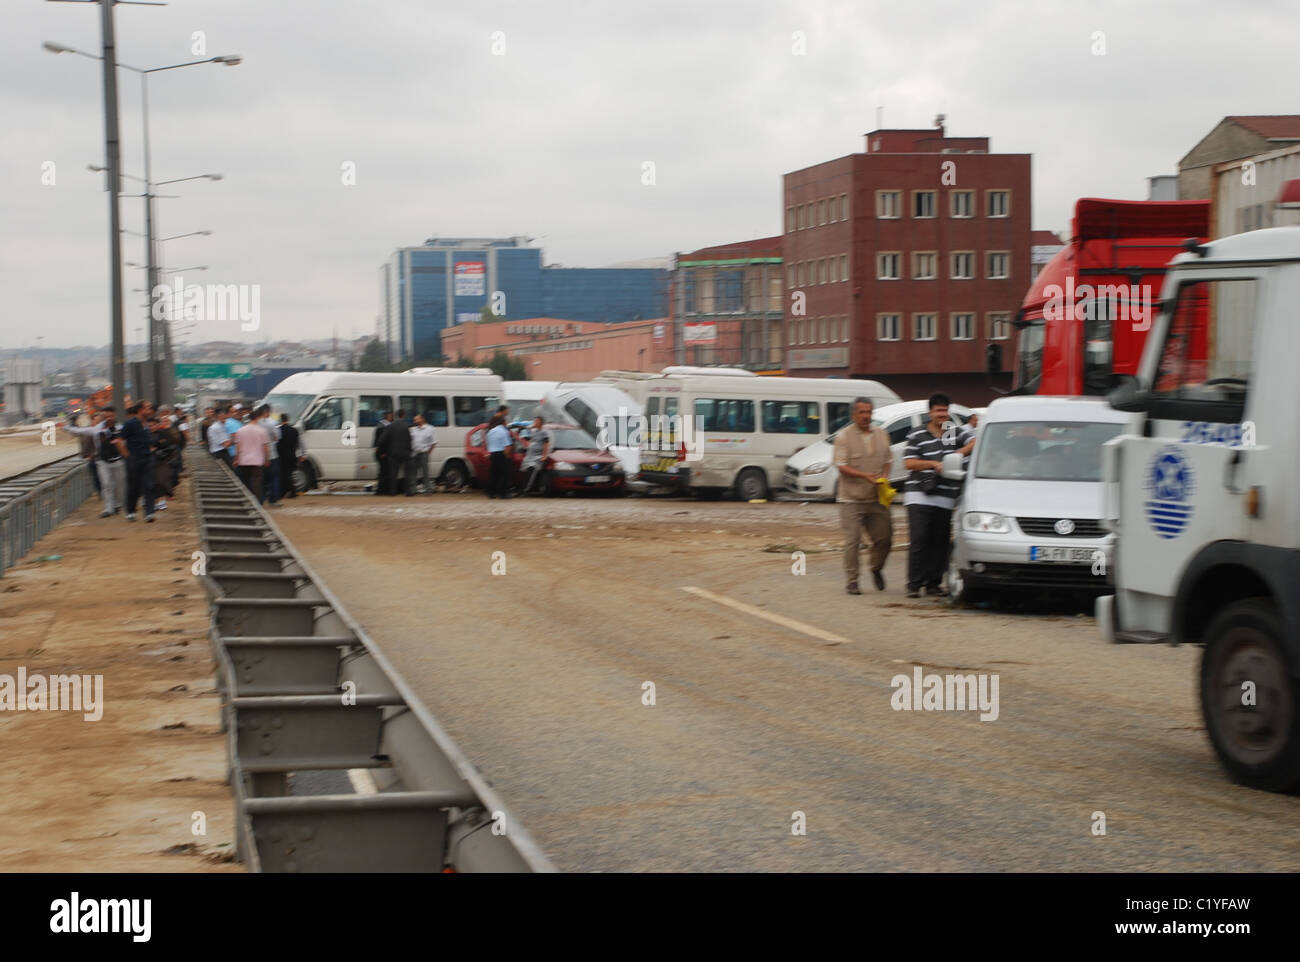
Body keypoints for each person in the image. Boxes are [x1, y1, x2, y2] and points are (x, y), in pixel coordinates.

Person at [901, 393, 976, 598]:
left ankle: (933, 584)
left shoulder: (951, 432)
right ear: (930, 413)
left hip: (945, 496)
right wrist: (934, 464)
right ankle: (913, 584)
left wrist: (956, 455)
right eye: (938, 411)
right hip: (919, 494)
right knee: (919, 539)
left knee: (940, 541)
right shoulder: (917, 433)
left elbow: (976, 442)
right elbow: (908, 463)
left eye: (945, 410)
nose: (942, 414)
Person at [834, 397, 893, 594]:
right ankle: (852, 580)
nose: (866, 416)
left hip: (876, 497)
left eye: (869, 412)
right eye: (862, 412)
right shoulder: (843, 437)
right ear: (853, 415)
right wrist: (865, 476)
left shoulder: (882, 434)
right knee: (852, 540)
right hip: (850, 499)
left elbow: (888, 460)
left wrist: (884, 476)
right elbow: (841, 466)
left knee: (885, 538)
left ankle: (876, 568)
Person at [65, 408, 126, 516]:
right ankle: (109, 508)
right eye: (106, 416)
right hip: (102, 461)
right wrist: (67, 427)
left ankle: (118, 504)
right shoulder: (97, 429)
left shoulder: (120, 427)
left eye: (111, 416)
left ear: (114, 415)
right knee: (106, 484)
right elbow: (80, 431)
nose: (109, 418)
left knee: (119, 485)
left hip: (118, 460)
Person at [121, 400, 157, 522]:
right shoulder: (130, 423)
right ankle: (130, 511)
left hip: (147, 458)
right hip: (134, 459)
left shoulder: (147, 423)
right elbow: (119, 440)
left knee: (149, 485)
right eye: (147, 407)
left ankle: (149, 513)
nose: (150, 410)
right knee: (134, 486)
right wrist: (127, 456)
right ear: (141, 409)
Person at [234, 412, 268, 502]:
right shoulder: (262, 431)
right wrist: (266, 459)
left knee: (246, 483)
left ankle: (247, 501)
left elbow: (238, 448)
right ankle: (258, 502)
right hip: (257, 461)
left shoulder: (240, 430)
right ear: (257, 418)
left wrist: (236, 459)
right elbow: (265, 447)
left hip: (244, 461)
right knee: (257, 483)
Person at [256, 405, 282, 505]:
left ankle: (260, 500)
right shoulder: (272, 424)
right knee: (274, 478)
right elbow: (277, 437)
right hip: (272, 454)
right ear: (267, 412)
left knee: (260, 478)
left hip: (258, 455)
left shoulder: (255, 423)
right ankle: (273, 499)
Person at [383, 409, 414, 496]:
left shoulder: (390, 426)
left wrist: (386, 450)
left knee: (393, 474)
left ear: (396, 416)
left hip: (393, 453)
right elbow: (409, 440)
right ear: (403, 415)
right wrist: (409, 450)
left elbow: (383, 439)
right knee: (407, 473)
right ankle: (408, 492)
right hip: (405, 453)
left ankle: (392, 492)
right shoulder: (406, 426)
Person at [485, 414, 514, 499]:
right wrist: (507, 456)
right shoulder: (504, 431)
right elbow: (507, 446)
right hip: (501, 454)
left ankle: (491, 493)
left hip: (493, 454)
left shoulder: (491, 431)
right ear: (503, 422)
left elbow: (488, 444)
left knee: (494, 475)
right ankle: (503, 494)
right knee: (504, 475)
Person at [519, 416, 550, 495]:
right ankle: (522, 487)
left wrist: (544, 455)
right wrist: (530, 427)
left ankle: (526, 489)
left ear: (541, 423)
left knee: (532, 471)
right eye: (535, 421)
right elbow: (527, 438)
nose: (535, 422)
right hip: (530, 455)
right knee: (524, 471)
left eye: (537, 421)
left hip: (537, 456)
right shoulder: (533, 431)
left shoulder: (544, 432)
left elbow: (546, 444)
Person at [409, 413, 437, 494]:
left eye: (416, 419)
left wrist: (428, 453)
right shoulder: (413, 429)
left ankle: (428, 490)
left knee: (425, 472)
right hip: (414, 453)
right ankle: (413, 490)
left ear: (422, 419)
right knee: (413, 472)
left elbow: (433, 443)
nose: (414, 421)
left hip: (424, 453)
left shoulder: (430, 429)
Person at [276, 414, 302, 498]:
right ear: (288, 419)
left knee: (283, 474)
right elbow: (298, 443)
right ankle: (291, 491)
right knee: (290, 473)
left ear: (281, 420)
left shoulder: (279, 430)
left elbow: (277, 444)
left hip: (282, 456)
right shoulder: (294, 430)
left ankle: (286, 492)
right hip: (292, 454)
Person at [373, 411, 393, 495]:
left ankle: (381, 489)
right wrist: (383, 452)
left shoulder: (380, 425)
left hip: (379, 452)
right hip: (383, 453)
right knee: (384, 472)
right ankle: (382, 490)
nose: (392, 418)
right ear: (387, 417)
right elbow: (382, 441)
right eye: (391, 416)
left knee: (383, 472)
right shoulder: (385, 426)